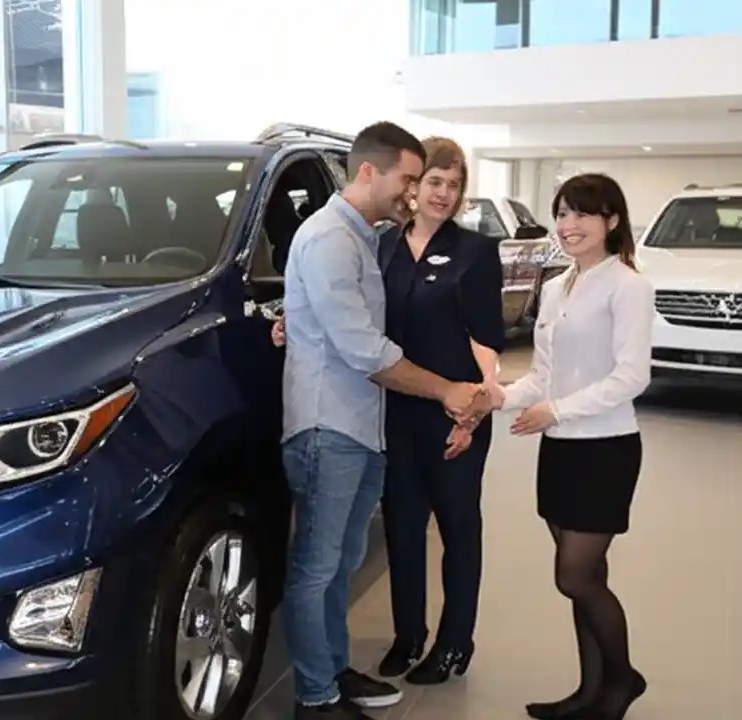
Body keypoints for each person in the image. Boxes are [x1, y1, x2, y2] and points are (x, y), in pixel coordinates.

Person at [277, 121, 489, 720]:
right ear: (369, 171)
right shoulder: (331, 240)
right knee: (317, 569)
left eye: (436, 182)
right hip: (329, 428)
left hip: (363, 428)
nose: (417, 192)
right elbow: (364, 347)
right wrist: (446, 389)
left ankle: (333, 671)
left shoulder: (365, 238)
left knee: (341, 565)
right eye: (412, 179)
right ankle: (315, 697)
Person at [484, 172, 653, 720]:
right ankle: (590, 691)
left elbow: (631, 377)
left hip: (605, 448)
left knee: (573, 575)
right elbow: (543, 376)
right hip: (560, 449)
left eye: (582, 213)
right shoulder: (557, 287)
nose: (568, 225)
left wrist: (555, 411)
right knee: (588, 579)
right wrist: (497, 398)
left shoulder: (627, 285)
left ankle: (623, 679)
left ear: (611, 220)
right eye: (561, 213)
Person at [374, 137, 505, 685]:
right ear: (414, 186)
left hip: (456, 413)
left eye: (454, 185)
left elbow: (488, 340)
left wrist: (475, 412)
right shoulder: (382, 246)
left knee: (458, 527)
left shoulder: (476, 252)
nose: (443, 194)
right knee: (403, 529)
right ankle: (408, 636)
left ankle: (455, 643)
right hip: (396, 410)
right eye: (434, 181)